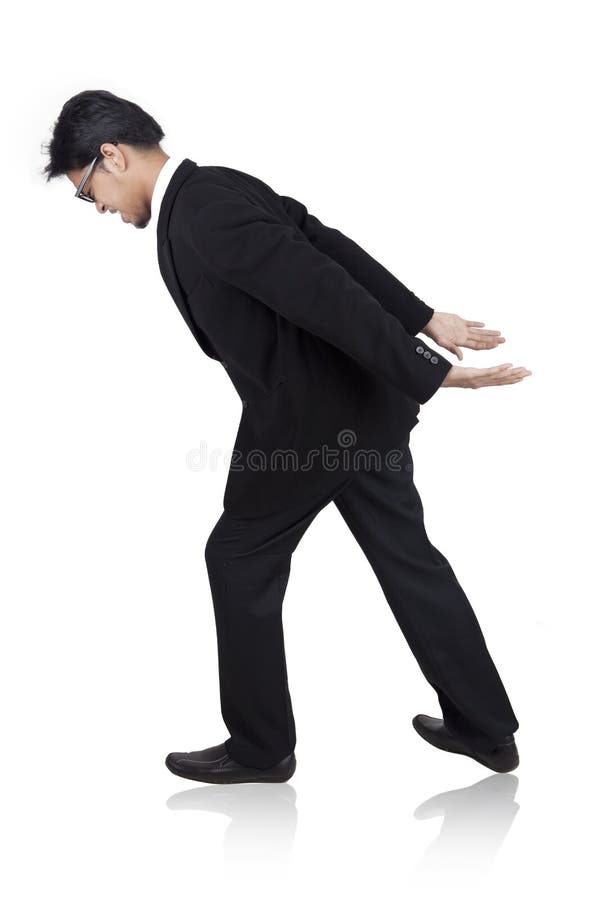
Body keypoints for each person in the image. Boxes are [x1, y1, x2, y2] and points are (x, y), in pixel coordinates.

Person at [43, 90, 531, 785]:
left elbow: (320, 284)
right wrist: (421, 316)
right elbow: (324, 241)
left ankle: (260, 747)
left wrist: (428, 366)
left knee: (238, 557)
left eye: (89, 191)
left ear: (112, 155)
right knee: (405, 556)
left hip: (314, 421)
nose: (99, 209)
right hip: (356, 408)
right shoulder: (216, 186)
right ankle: (487, 728)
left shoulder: (204, 210)